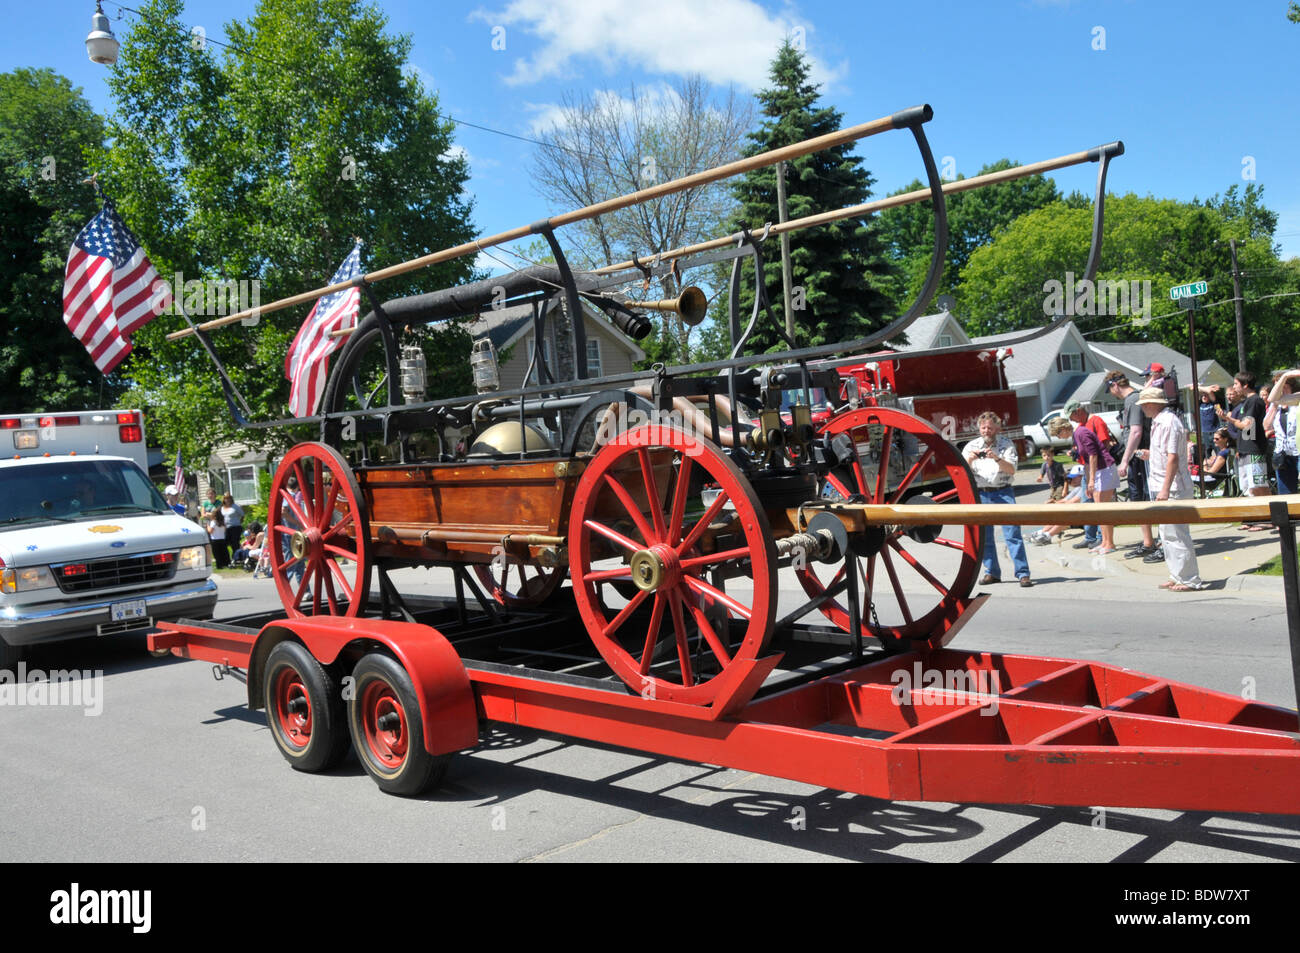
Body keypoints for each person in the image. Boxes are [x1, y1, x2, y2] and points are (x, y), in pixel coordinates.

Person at [1138, 385, 1207, 590]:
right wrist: (1149, 455)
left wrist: (1165, 489)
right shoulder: (1159, 422)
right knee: (1166, 535)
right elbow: (1165, 454)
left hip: (1173, 487)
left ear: (1151, 404)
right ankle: (1177, 574)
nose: (1143, 409)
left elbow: (1173, 458)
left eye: (1144, 405)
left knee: (1177, 534)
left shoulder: (1168, 423)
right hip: (1162, 484)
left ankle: (1189, 578)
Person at [963, 411, 1032, 587]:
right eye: (984, 427)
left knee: (1013, 535)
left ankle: (1023, 573)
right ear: (979, 428)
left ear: (997, 428)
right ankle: (991, 572)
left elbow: (1011, 470)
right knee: (985, 537)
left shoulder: (1007, 445)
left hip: (1003, 492)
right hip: (981, 494)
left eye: (990, 428)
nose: (987, 431)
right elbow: (961, 474)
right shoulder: (971, 446)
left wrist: (997, 458)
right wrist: (969, 460)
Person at [1105, 371, 1158, 560]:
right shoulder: (1134, 399)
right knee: (1138, 499)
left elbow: (1135, 432)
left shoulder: (1133, 400)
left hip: (1139, 456)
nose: (1111, 394)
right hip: (1136, 456)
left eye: (1110, 389)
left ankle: (1151, 543)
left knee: (1143, 499)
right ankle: (1148, 541)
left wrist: (1124, 461)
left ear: (1115, 386)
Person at [1053, 408, 1118, 554]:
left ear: (1063, 428)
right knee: (1099, 509)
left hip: (1105, 469)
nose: (1059, 437)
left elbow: (1093, 456)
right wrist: (1089, 481)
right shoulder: (1077, 434)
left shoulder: (1080, 432)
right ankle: (1105, 542)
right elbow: (1087, 462)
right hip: (1099, 471)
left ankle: (1110, 544)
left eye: (1058, 433)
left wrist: (1091, 481)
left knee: (1103, 509)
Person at [1218, 371, 1271, 529]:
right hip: (1245, 448)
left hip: (1254, 449)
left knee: (1259, 485)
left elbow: (1247, 425)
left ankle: (1267, 518)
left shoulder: (1254, 401)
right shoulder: (1245, 403)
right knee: (1246, 486)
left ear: (1245, 385)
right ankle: (1253, 518)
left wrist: (1229, 419)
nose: (1234, 388)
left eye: (1236, 384)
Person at [1029, 465, 1085, 544]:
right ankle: (1042, 532)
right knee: (1061, 514)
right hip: (1083, 515)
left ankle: (1047, 536)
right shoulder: (1078, 488)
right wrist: (1053, 502)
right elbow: (1064, 500)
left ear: (1082, 476)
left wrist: (1055, 504)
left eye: (1075, 477)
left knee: (1068, 515)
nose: (1072, 480)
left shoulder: (1084, 488)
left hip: (1089, 517)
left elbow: (1072, 502)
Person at [1266, 370, 1300, 495]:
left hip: (1298, 451)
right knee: (1286, 495)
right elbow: (1272, 398)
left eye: (1282, 385)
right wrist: (1285, 376)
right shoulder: (1291, 400)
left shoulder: (1297, 398)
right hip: (1283, 453)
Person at [220, 493, 244, 564]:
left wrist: (239, 522)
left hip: (235, 527)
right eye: (226, 498)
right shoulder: (222, 508)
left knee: (235, 543)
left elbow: (242, 515)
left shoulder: (235, 506)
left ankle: (236, 558)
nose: (227, 500)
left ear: (231, 499)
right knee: (225, 543)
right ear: (224, 500)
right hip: (226, 528)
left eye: (229, 498)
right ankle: (227, 559)